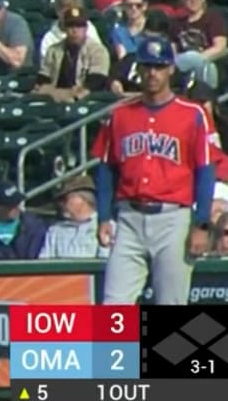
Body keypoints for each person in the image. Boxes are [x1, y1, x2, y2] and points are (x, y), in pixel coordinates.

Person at [92, 37, 215, 305]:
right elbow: (106, 169)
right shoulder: (120, 115)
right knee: (113, 305)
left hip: (173, 219)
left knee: (171, 304)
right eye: (147, 66)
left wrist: (201, 223)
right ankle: (116, 350)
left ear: (171, 68)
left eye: (159, 66)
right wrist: (103, 216)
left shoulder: (192, 114)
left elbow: (206, 172)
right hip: (128, 219)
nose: (152, 73)